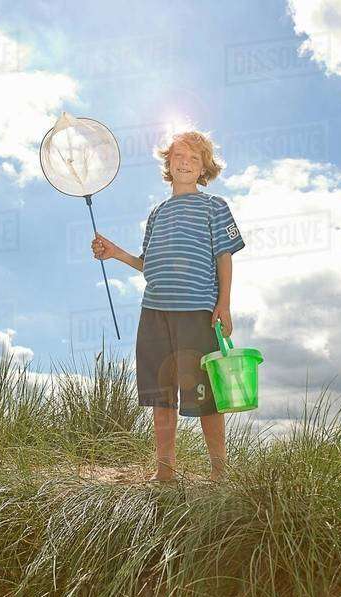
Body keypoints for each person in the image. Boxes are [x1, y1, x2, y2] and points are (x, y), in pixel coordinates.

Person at [91, 130, 245, 483]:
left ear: (205, 166)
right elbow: (148, 263)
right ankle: (165, 473)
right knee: (161, 398)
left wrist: (224, 304)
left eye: (194, 158)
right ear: (168, 163)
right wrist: (116, 253)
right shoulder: (157, 213)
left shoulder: (215, 206)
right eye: (179, 156)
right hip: (155, 312)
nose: (186, 162)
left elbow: (224, 256)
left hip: (198, 312)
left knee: (207, 397)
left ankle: (219, 474)